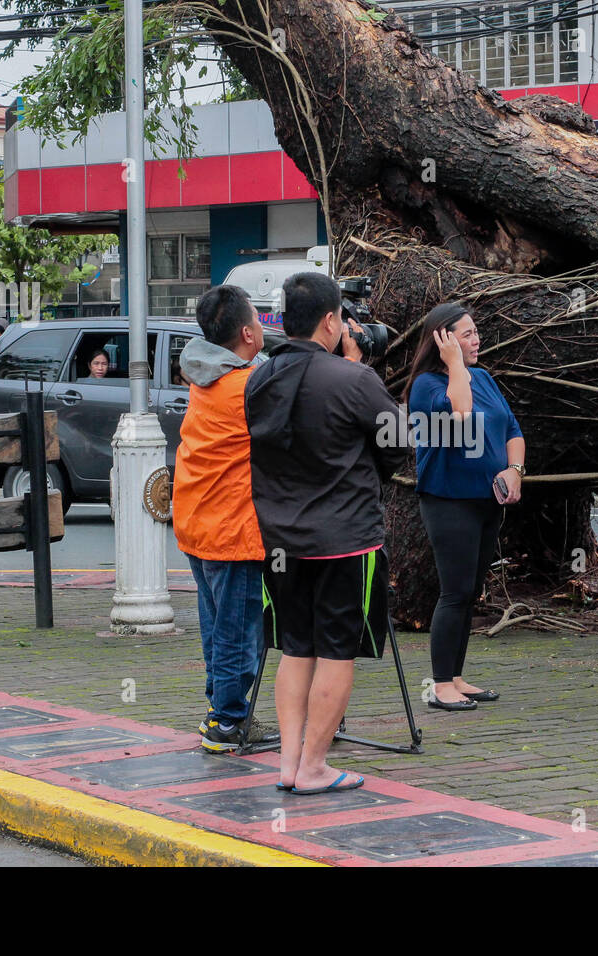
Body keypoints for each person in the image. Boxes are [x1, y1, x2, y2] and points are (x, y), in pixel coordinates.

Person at [244, 272, 405, 795]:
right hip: (345, 539)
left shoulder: (258, 379)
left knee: (294, 648)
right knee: (337, 651)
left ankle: (290, 763)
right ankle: (314, 765)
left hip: (280, 539)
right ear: (332, 320)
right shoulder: (352, 380)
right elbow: (397, 444)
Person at [172, 285, 279, 753]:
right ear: (246, 332)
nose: (262, 324)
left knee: (217, 626)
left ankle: (220, 710)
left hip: (197, 522)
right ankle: (229, 723)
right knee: (238, 631)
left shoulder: (205, 376)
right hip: (231, 528)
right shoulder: (247, 386)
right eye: (258, 318)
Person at [405, 303, 525, 712]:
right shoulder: (426, 385)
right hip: (448, 500)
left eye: (476, 333)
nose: (476, 341)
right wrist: (455, 363)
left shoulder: (485, 378)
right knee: (455, 592)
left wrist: (515, 470)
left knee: (471, 590)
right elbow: (461, 413)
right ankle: (440, 685)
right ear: (443, 338)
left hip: (487, 500)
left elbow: (511, 429)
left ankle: (456, 677)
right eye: (467, 334)